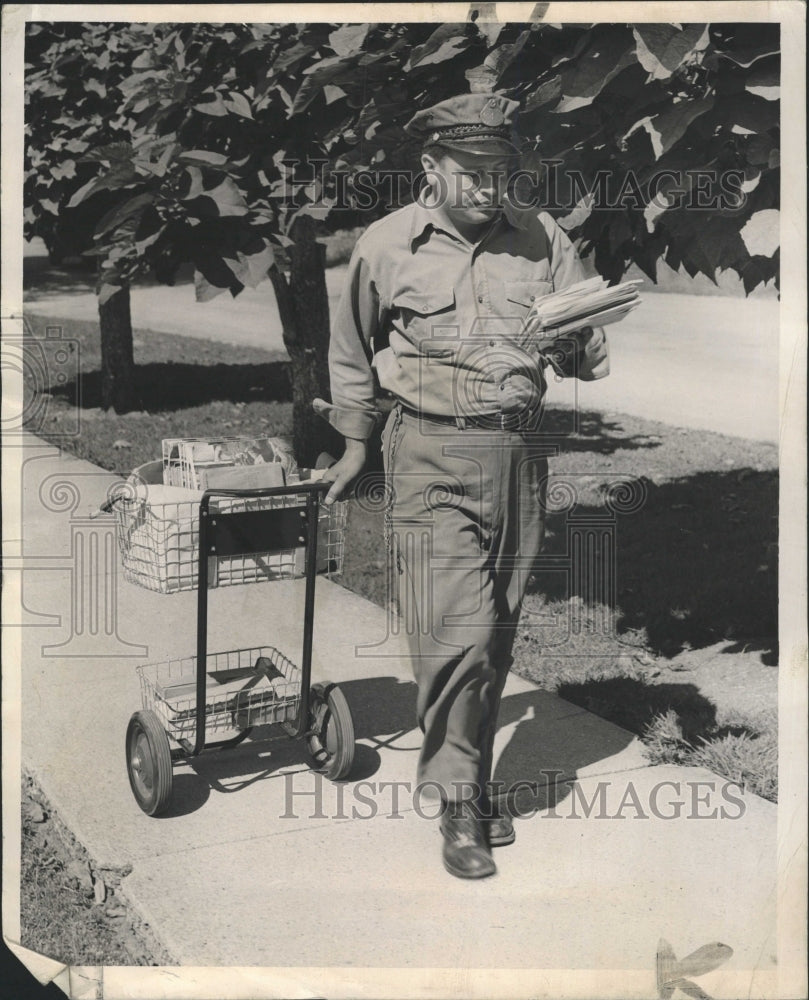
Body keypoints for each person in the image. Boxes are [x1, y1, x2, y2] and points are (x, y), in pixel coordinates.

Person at [315, 94, 608, 879]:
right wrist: (352, 444)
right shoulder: (384, 246)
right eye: (473, 172)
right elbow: (349, 349)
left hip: (519, 456)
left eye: (500, 172)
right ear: (431, 169)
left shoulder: (542, 236)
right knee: (456, 632)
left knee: (498, 628)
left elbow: (583, 355)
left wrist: (580, 342)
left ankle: (469, 779)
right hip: (425, 452)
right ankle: (457, 807)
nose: (488, 186)